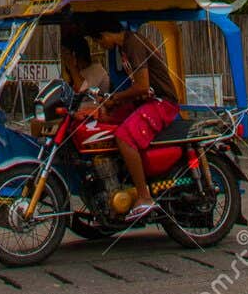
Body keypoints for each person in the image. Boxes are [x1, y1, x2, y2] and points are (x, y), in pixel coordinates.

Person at [88, 15, 180, 222]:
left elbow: (142, 86)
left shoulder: (133, 44)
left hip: (161, 102)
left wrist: (115, 98)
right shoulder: (124, 46)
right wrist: (112, 103)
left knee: (124, 137)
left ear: (105, 35)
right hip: (145, 101)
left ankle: (144, 197)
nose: (100, 46)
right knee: (105, 120)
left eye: (98, 41)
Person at [60, 26, 110, 108]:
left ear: (74, 54)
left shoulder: (97, 71)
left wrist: (71, 65)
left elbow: (82, 91)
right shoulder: (80, 72)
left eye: (65, 54)